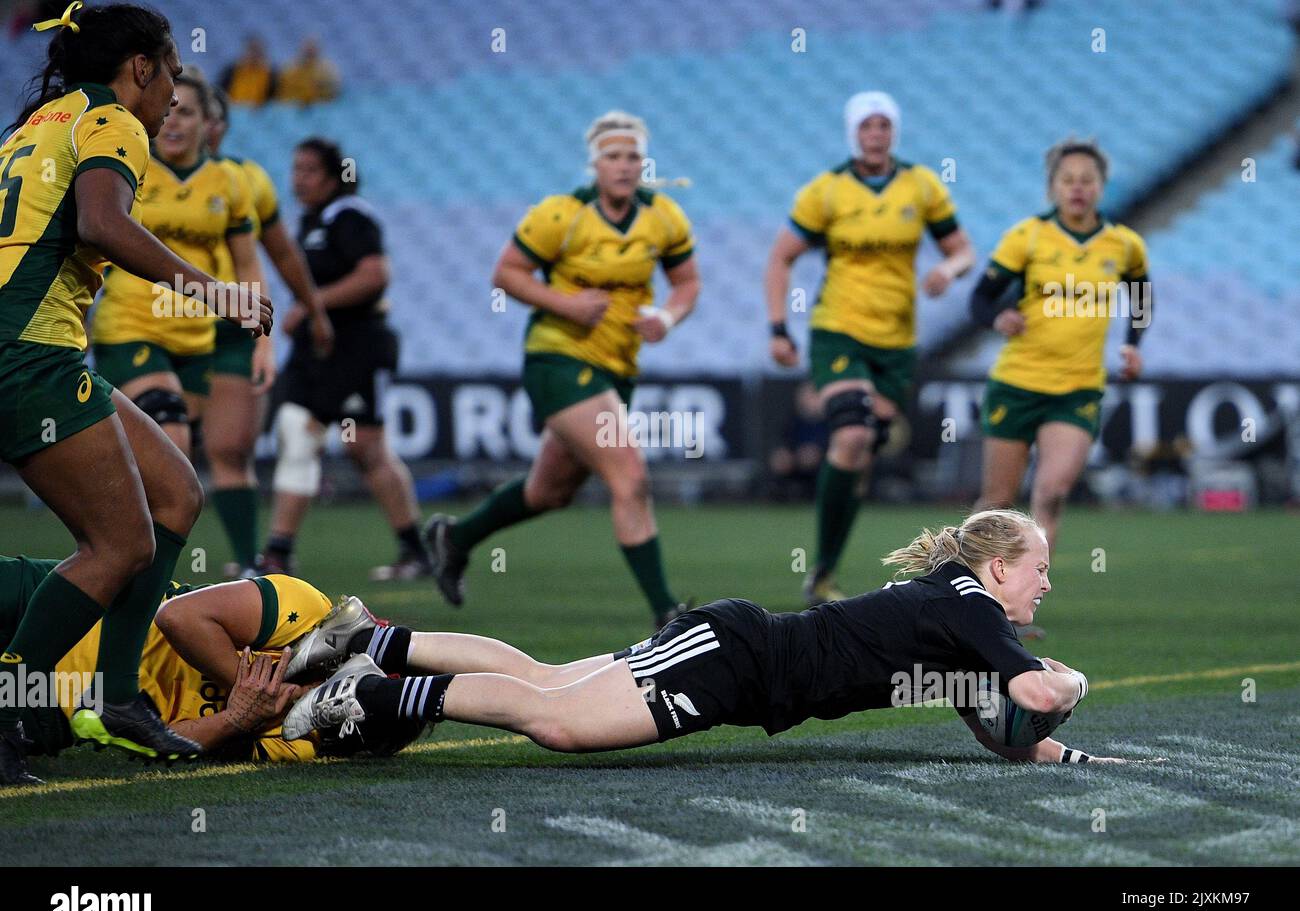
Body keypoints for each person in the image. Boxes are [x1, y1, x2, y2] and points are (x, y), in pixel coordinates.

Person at [287, 510, 1138, 766]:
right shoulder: (971, 607)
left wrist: (1082, 762)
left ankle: (376, 641)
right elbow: (1029, 697)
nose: (1047, 582)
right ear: (996, 571)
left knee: (547, 681)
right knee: (557, 721)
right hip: (736, 661)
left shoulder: (959, 612)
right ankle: (365, 693)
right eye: (1040, 568)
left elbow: (999, 726)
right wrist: (1073, 683)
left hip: (737, 656)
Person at [0, 2, 271, 785]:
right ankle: (12, 702)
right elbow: (101, 224)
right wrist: (215, 293)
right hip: (29, 352)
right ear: (141, 70)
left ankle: (118, 697)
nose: (172, 96)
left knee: (176, 496)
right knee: (119, 546)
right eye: (172, 77)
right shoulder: (112, 120)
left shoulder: (36, 123)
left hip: (32, 349)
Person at [425, 111, 701, 628]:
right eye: (613, 157)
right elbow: (506, 272)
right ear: (594, 164)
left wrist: (667, 316)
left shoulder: (663, 216)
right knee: (630, 475)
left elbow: (687, 283)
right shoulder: (562, 214)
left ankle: (454, 537)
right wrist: (565, 304)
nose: (623, 166)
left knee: (548, 492)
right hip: (557, 358)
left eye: (633, 156)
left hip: (617, 367)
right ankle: (667, 613)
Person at [765, 91, 975, 606]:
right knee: (853, 432)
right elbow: (780, 258)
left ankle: (823, 573)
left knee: (857, 455)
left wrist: (947, 269)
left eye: (884, 126)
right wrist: (778, 327)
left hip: (896, 344)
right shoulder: (827, 192)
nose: (876, 134)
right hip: (838, 328)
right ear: (853, 133)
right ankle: (821, 569)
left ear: (894, 133)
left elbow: (963, 249)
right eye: (867, 126)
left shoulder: (921, 186)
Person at [0, 555, 420, 776]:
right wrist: (244, 682)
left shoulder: (302, 739)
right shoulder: (307, 612)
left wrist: (235, 721)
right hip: (58, 604)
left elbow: (157, 744)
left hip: (55, 708)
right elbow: (177, 617)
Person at [969, 138, 1151, 558]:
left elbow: (1141, 299)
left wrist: (1132, 345)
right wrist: (999, 318)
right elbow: (980, 298)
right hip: (1016, 383)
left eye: (1087, 179)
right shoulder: (1027, 237)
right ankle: (973, 599)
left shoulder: (1123, 245)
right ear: (1052, 187)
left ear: (1101, 187)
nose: (1077, 188)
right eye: (1067, 179)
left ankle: (1024, 605)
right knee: (996, 504)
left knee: (1052, 492)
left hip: (1077, 389)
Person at [261, 137, 428, 582]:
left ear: (335, 177)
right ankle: (277, 554)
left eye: (309, 171)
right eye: (295, 170)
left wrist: (314, 304)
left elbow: (375, 276)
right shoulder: (309, 221)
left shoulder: (350, 216)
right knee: (297, 432)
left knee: (364, 446)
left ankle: (417, 550)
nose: (298, 180)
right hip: (318, 347)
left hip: (357, 344)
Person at [90, 70, 264, 461]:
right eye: (169, 110)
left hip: (197, 337)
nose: (173, 121)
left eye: (187, 113)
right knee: (170, 434)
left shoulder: (230, 182)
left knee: (172, 463)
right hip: (131, 326)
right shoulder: (129, 167)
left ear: (208, 123)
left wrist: (263, 341)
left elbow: (248, 264)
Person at [205, 86, 331, 579]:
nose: (196, 126)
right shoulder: (138, 171)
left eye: (210, 116)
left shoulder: (246, 179)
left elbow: (280, 253)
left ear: (221, 125)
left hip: (228, 329)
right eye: (184, 111)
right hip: (154, 327)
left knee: (231, 449)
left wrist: (312, 308)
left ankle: (247, 564)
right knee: (162, 449)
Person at [273, 36, 340, 107]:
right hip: (293, 107)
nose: (310, 52)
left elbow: (334, 92)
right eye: (308, 50)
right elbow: (282, 92)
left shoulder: (327, 70)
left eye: (312, 49)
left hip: (319, 107)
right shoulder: (290, 70)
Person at [219, 35, 275, 108]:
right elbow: (220, 93)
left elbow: (272, 100)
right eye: (252, 50)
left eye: (258, 51)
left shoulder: (271, 76)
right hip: (233, 110)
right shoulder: (231, 72)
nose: (254, 55)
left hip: (259, 114)